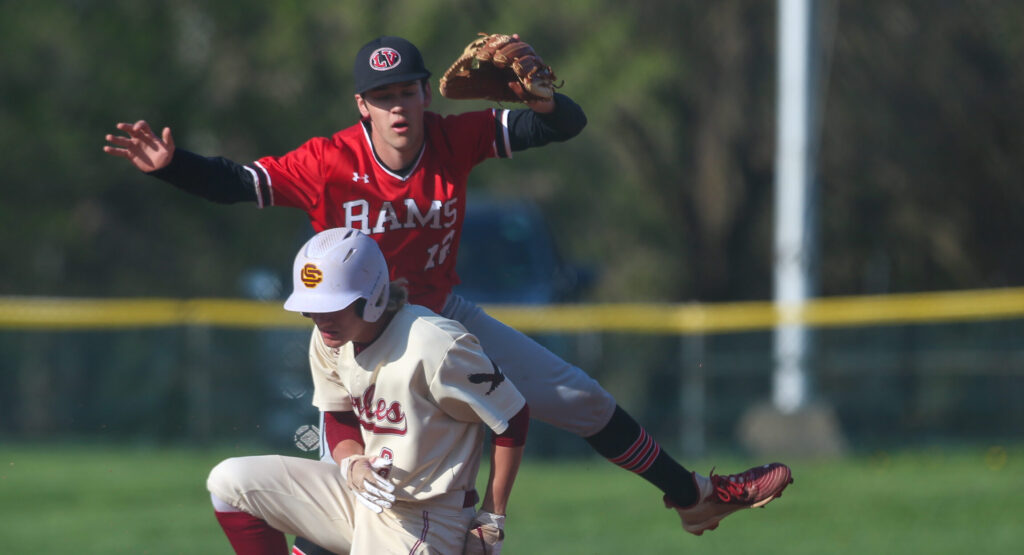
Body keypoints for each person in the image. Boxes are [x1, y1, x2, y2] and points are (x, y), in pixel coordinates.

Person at [104, 34, 792, 548]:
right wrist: (173, 167)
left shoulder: (452, 139)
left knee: (578, 394)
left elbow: (564, 126)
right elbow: (237, 182)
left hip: (439, 316)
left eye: (407, 91)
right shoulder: (327, 161)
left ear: (424, 93)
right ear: (362, 106)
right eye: (382, 97)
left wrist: (544, 98)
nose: (397, 106)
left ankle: (694, 496)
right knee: (348, 498)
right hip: (358, 335)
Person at [207, 227, 529, 554]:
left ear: (371, 298)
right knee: (229, 482)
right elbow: (339, 415)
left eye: (331, 306)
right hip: (361, 495)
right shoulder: (329, 338)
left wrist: (492, 517)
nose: (319, 318)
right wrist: (352, 464)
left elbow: (512, 415)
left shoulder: (435, 344)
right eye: (310, 307)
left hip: (428, 517)